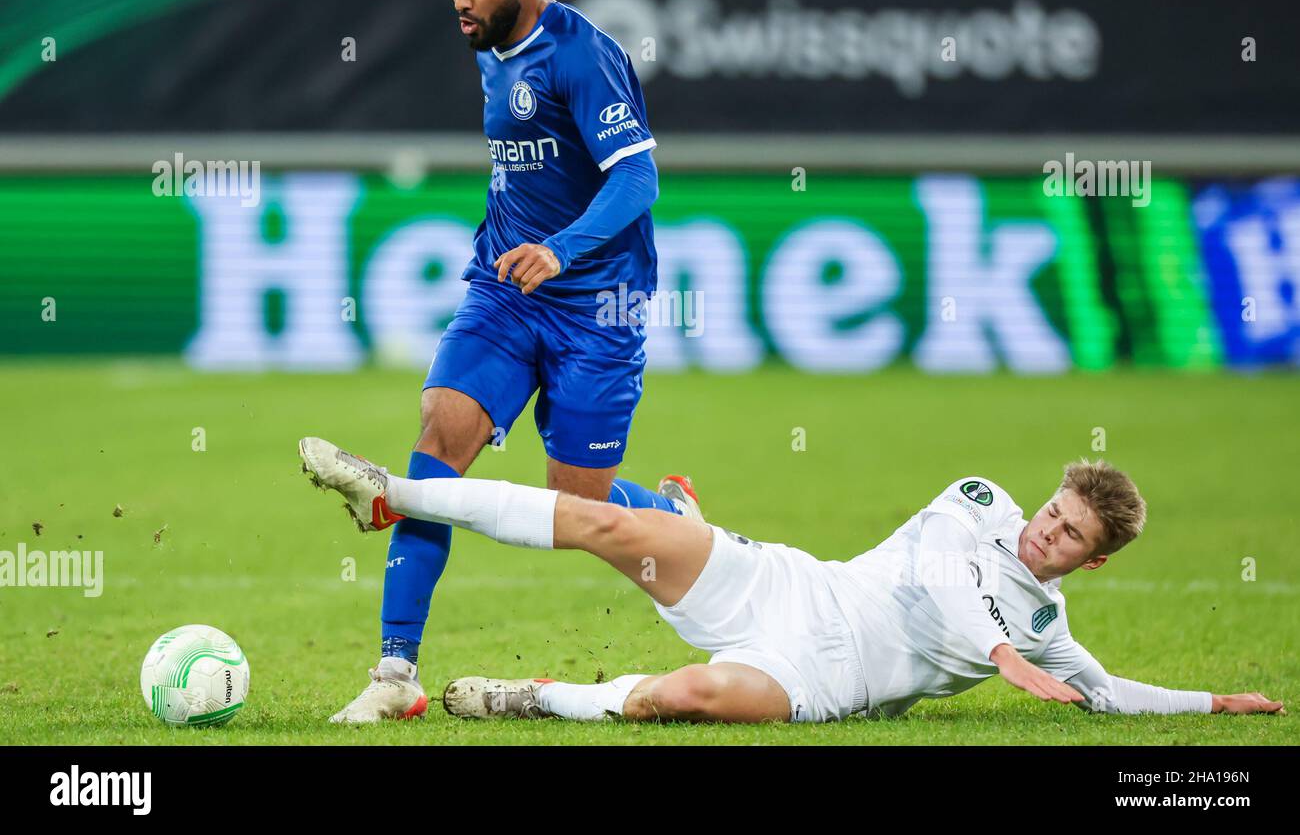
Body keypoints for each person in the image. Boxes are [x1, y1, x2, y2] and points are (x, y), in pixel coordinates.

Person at [329, 0, 689, 724]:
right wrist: (525, 246)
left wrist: (561, 248)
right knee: (436, 447)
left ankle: (671, 514)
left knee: (581, 505)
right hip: (504, 289)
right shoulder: (492, 45)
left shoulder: (583, 55)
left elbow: (638, 182)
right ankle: (395, 674)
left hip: (598, 306)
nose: (461, 0)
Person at [298, 438, 1285, 724]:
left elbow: (1109, 693)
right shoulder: (977, 499)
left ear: (1090, 560)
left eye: (1068, 536)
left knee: (693, 694)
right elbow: (948, 578)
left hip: (819, 679)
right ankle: (395, 491)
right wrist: (997, 653)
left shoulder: (1048, 629)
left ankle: (519, 697)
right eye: (1053, 510)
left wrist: (1216, 699)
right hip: (786, 587)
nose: (1045, 531)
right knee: (605, 521)